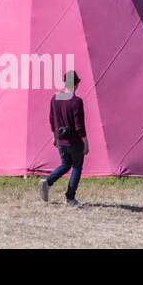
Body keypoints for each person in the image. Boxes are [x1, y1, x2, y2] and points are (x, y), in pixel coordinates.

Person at [39, 70, 88, 206]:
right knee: (77, 167)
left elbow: (51, 119)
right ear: (76, 84)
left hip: (61, 140)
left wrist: (54, 137)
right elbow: (79, 125)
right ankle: (70, 197)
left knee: (65, 164)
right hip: (74, 141)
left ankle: (47, 182)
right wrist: (85, 142)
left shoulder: (55, 98)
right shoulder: (76, 101)